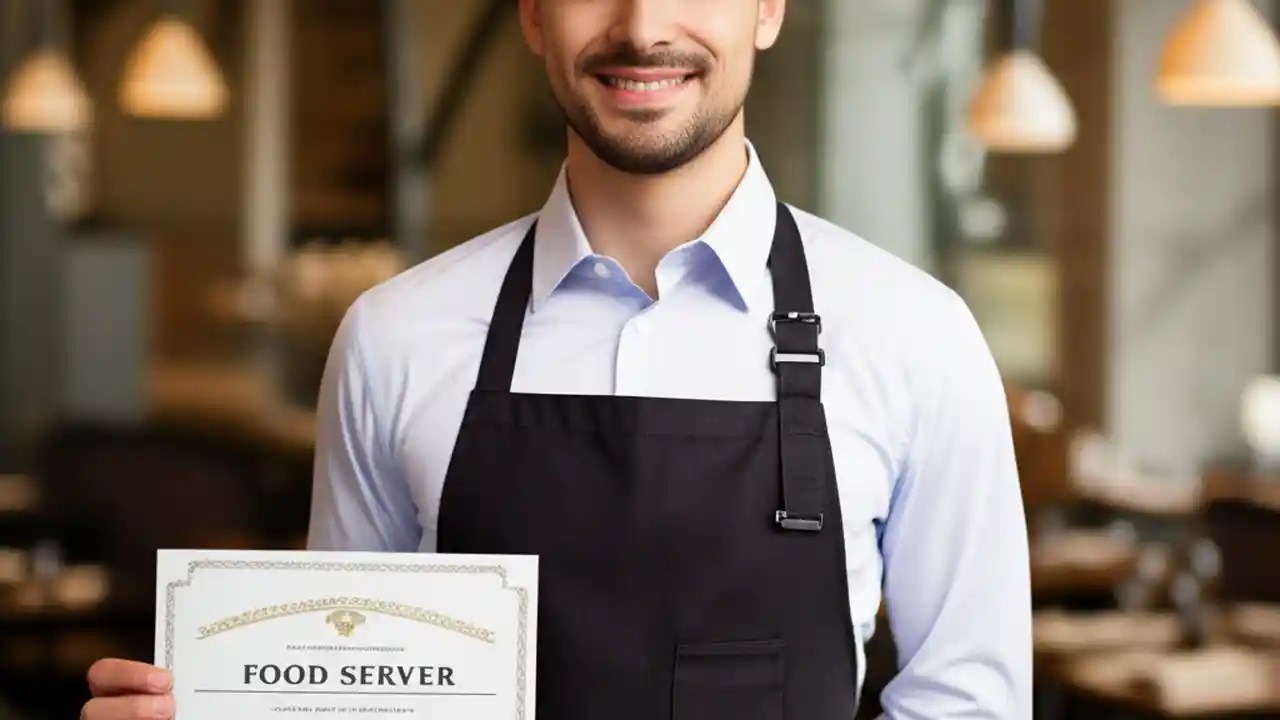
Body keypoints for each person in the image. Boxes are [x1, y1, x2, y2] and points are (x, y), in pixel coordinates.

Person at [83, 0, 1032, 718]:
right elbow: (349, 692)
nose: (641, 26)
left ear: (770, 9)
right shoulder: (395, 337)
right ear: (533, 13)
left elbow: (970, 699)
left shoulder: (915, 334)